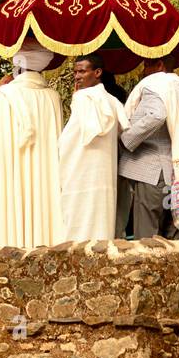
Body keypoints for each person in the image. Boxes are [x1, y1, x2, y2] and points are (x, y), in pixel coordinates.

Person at [0, 44, 65, 250]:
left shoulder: (4, 97)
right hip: (44, 175)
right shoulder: (53, 97)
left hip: (10, 176)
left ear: (18, 66)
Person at [118, 47, 179, 241]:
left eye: (146, 65)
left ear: (159, 65)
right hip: (176, 171)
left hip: (152, 173)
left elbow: (157, 115)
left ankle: (146, 272)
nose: (143, 71)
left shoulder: (155, 86)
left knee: (147, 237)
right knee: (172, 234)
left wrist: (127, 139)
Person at [59, 54, 129, 242]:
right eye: (75, 72)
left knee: (77, 216)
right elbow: (124, 132)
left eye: (82, 71)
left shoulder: (83, 98)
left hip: (80, 172)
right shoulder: (113, 101)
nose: (77, 76)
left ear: (97, 72)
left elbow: (69, 138)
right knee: (100, 218)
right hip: (104, 173)